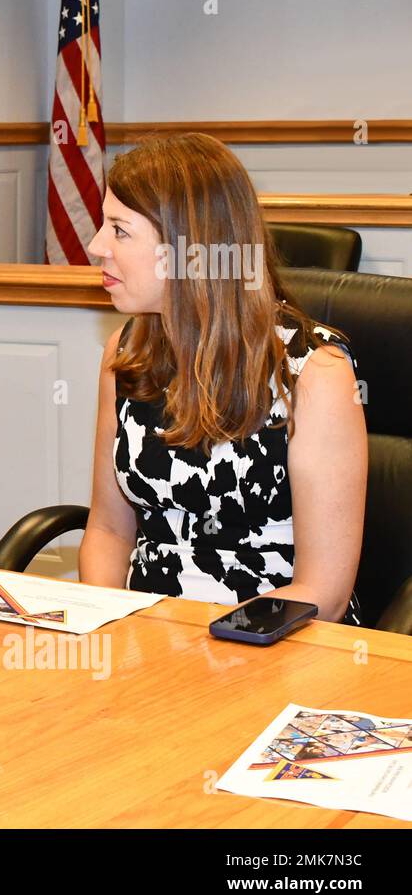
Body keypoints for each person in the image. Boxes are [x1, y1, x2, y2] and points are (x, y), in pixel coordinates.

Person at [77, 133, 366, 624]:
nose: (96, 245)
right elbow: (108, 530)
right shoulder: (126, 352)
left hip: (272, 641)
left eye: (120, 230)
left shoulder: (314, 372)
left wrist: (201, 655)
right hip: (145, 636)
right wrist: (110, 627)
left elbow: (325, 593)